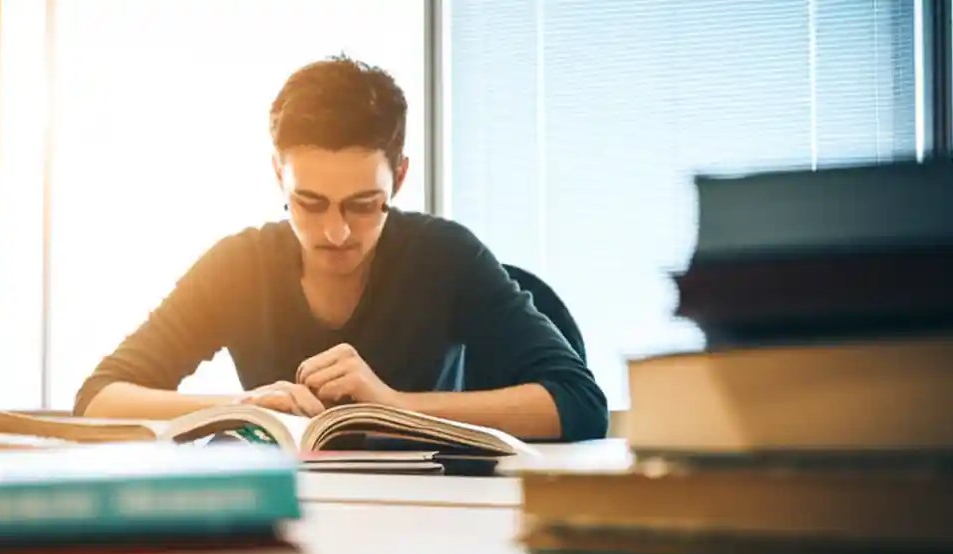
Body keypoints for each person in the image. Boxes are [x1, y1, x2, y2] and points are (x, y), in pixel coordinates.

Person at [75, 55, 608, 441]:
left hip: (435, 511)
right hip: (295, 511)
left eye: (361, 204)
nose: (335, 232)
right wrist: (245, 408)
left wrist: (395, 407)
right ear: (277, 175)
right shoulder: (239, 266)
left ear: (398, 177)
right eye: (309, 202)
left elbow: (580, 403)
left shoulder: (444, 257)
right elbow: (99, 398)